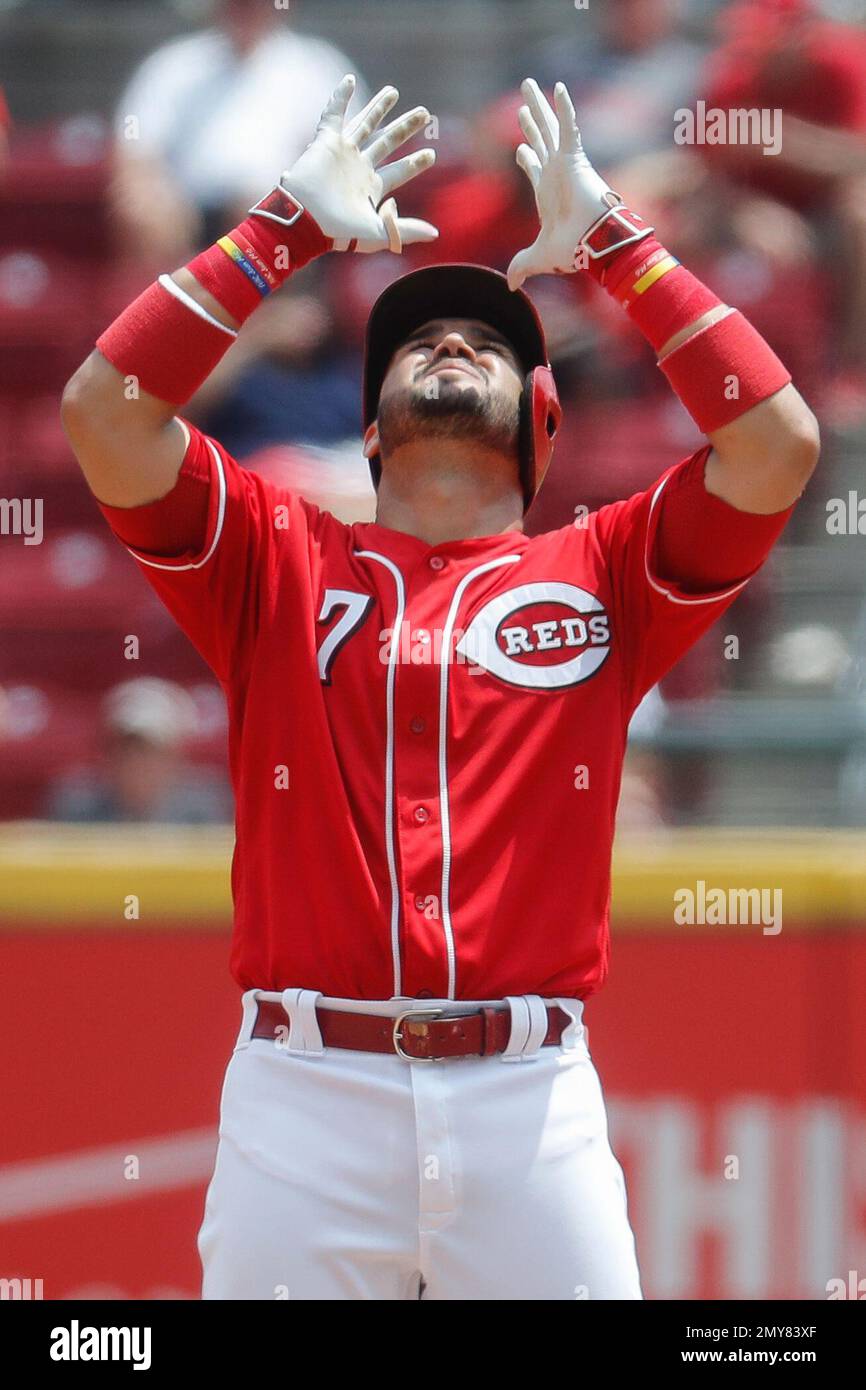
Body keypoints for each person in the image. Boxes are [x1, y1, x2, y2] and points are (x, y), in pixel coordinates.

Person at [61, 75, 819, 1300]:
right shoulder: (274, 555)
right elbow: (106, 413)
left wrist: (619, 248)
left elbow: (776, 444)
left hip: (531, 1101)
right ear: (368, 430)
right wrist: (279, 236)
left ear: (543, 418)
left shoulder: (606, 567)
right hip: (302, 1093)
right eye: (415, 340)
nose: (450, 343)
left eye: (489, 341)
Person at [111, 0, 369, 264]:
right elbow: (135, 156)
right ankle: (176, 298)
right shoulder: (170, 67)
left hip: (278, 214)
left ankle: (270, 299)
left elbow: (349, 160)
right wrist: (152, 192)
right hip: (187, 215)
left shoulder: (319, 67)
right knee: (144, 205)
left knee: (277, 212)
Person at [44, 677, 231, 824]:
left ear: (175, 756)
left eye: (150, 751)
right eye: (125, 750)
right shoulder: (76, 806)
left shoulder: (203, 807)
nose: (137, 763)